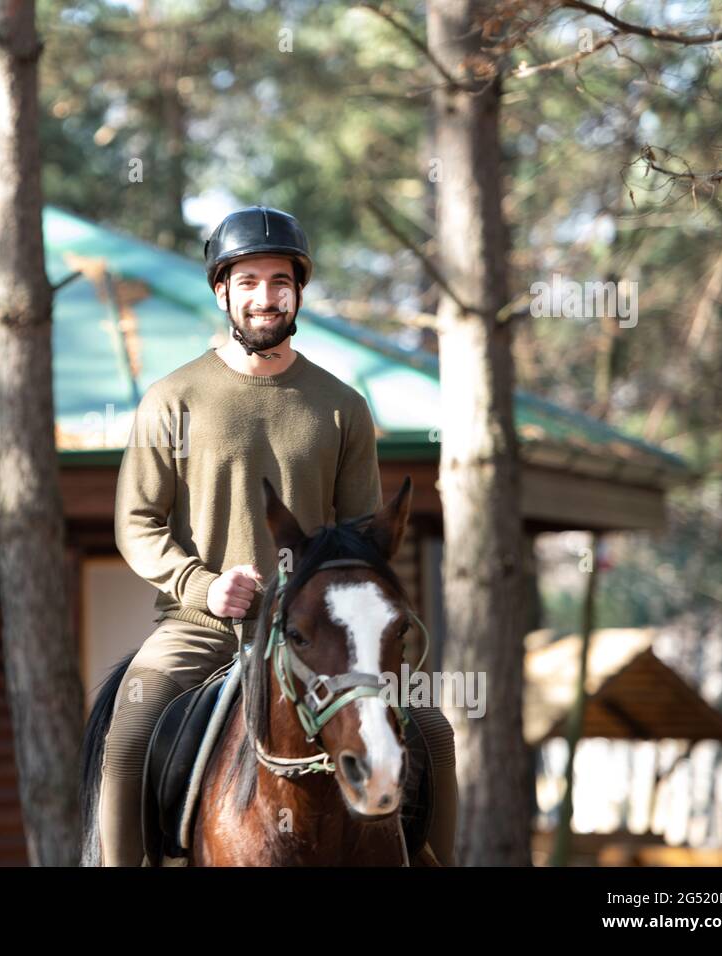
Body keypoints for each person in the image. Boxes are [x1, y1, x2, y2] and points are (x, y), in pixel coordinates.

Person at [98, 205, 458, 866]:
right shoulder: (171, 400)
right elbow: (137, 524)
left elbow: (362, 543)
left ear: (299, 290)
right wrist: (205, 588)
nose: (267, 297)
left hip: (320, 638)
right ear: (222, 292)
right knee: (131, 722)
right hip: (202, 627)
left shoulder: (341, 405)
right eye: (250, 282)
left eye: (280, 282)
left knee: (432, 726)